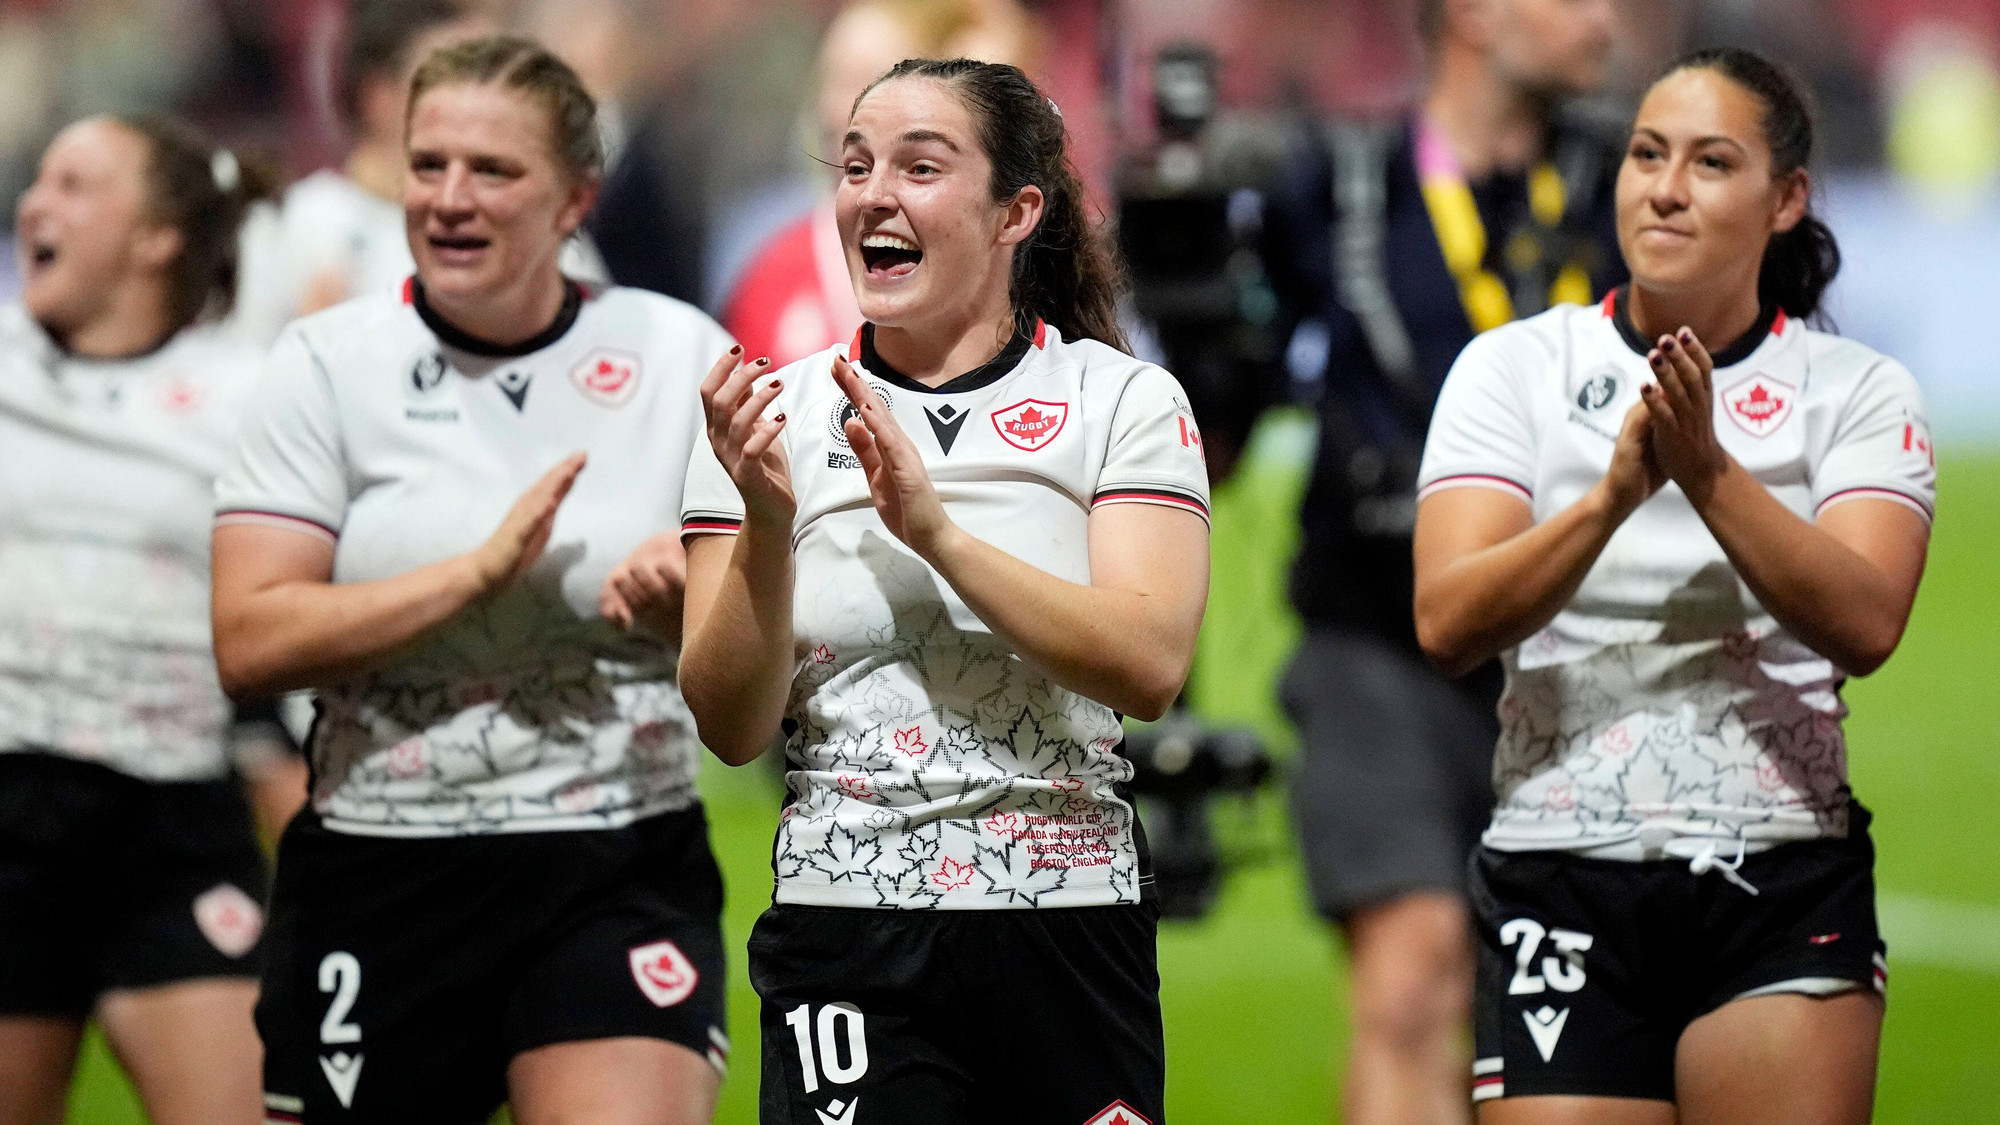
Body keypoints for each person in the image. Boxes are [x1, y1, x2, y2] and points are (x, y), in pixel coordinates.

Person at [210, 37, 734, 1125]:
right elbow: (251, 639)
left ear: (575, 198)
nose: (450, 197)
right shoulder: (322, 366)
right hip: (381, 856)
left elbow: (767, 651)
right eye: (428, 163)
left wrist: (708, 593)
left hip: (612, 854)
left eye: (493, 171)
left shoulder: (679, 356)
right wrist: (474, 576)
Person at [680, 58, 1210, 1125]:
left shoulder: (1121, 402)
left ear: (1017, 211)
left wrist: (934, 534)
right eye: (857, 166)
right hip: (852, 925)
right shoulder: (767, 420)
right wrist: (769, 531)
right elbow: (730, 725)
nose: (874, 195)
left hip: (1068, 920)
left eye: (920, 168)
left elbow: (1149, 665)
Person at [1412, 47, 1932, 1124]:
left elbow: (1866, 621)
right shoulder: (1512, 370)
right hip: (1555, 871)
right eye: (1645, 153)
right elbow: (1445, 619)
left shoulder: (1853, 392)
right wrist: (1607, 501)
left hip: (1778, 874)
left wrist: (1705, 473)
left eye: (1708, 161)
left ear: (1783, 199)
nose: (1661, 186)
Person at [1257, 2, 1623, 1121]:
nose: (1603, 20)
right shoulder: (1333, 183)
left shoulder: (1632, 178)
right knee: (1412, 974)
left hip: (1592, 661)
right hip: (1378, 648)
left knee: (1572, 1033)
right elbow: (1235, 390)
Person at [0, 113, 278, 1125]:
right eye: (39, 178)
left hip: (174, 817)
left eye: (74, 184)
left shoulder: (247, 393)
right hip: (11, 802)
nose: (38, 202)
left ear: (157, 235)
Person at [229, 0, 605, 347]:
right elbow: (225, 387)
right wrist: (307, 362)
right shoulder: (291, 225)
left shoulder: (537, 225)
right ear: (378, 96)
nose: (486, 92)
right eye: (451, 74)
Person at [719, 0, 1037, 370]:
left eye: (864, 82)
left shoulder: (1020, 272)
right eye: (828, 81)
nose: (831, 110)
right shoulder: (774, 272)